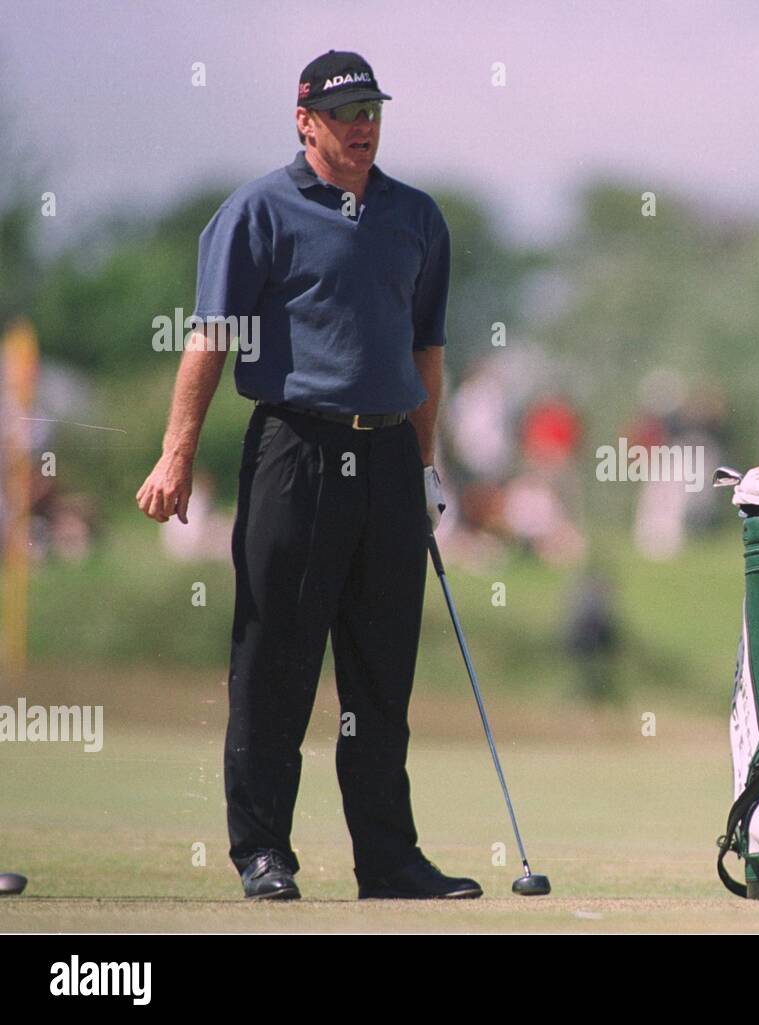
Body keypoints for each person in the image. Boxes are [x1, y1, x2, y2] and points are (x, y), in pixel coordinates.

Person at [135, 50, 481, 901]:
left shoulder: (416, 217)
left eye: (373, 110)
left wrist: (428, 466)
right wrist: (177, 452)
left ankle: (388, 860)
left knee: (381, 671)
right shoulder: (257, 211)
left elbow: (426, 350)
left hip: (391, 458)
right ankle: (263, 851)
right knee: (274, 661)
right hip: (295, 450)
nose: (363, 124)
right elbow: (210, 337)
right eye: (346, 111)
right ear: (305, 121)